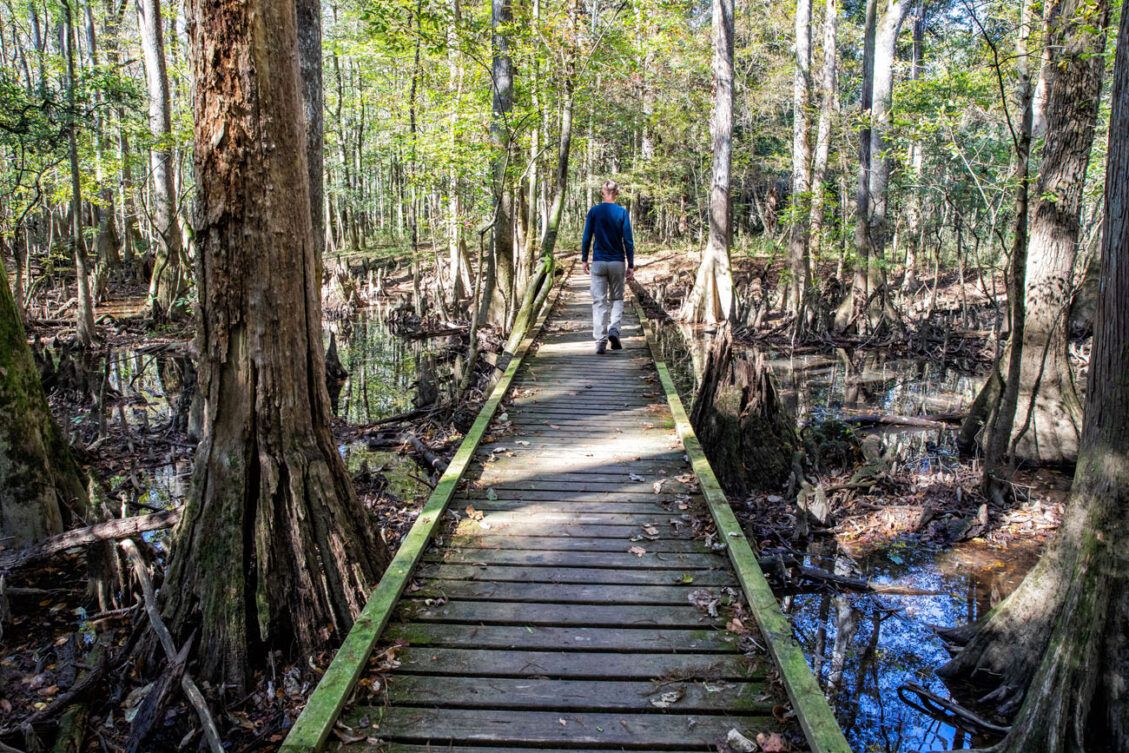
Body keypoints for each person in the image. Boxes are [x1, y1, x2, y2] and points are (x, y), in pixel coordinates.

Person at [581, 179, 635, 354]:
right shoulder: (621, 212)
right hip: (617, 262)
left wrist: (584, 259)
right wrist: (631, 264)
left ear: (602, 193)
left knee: (599, 302)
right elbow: (627, 240)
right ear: (616, 193)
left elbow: (587, 236)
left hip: (598, 262)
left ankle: (600, 341)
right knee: (617, 299)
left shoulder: (594, 211)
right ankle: (614, 329)